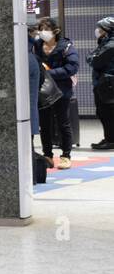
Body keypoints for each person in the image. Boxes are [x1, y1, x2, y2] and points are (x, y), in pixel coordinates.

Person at [33, 17, 79, 169]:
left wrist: (49, 73)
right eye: (41, 29)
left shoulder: (66, 46)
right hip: (43, 91)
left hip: (61, 91)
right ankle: (47, 155)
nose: (42, 32)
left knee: (63, 123)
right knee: (44, 124)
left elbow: (72, 67)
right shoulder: (36, 46)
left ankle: (66, 155)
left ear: (55, 31)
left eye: (46, 29)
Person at [89, 16, 114, 149]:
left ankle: (111, 140)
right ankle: (109, 138)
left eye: (100, 28)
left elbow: (95, 61)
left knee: (106, 113)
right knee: (105, 112)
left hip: (107, 84)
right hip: (105, 83)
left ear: (107, 30)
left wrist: (91, 57)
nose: (98, 30)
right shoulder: (105, 43)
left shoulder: (111, 45)